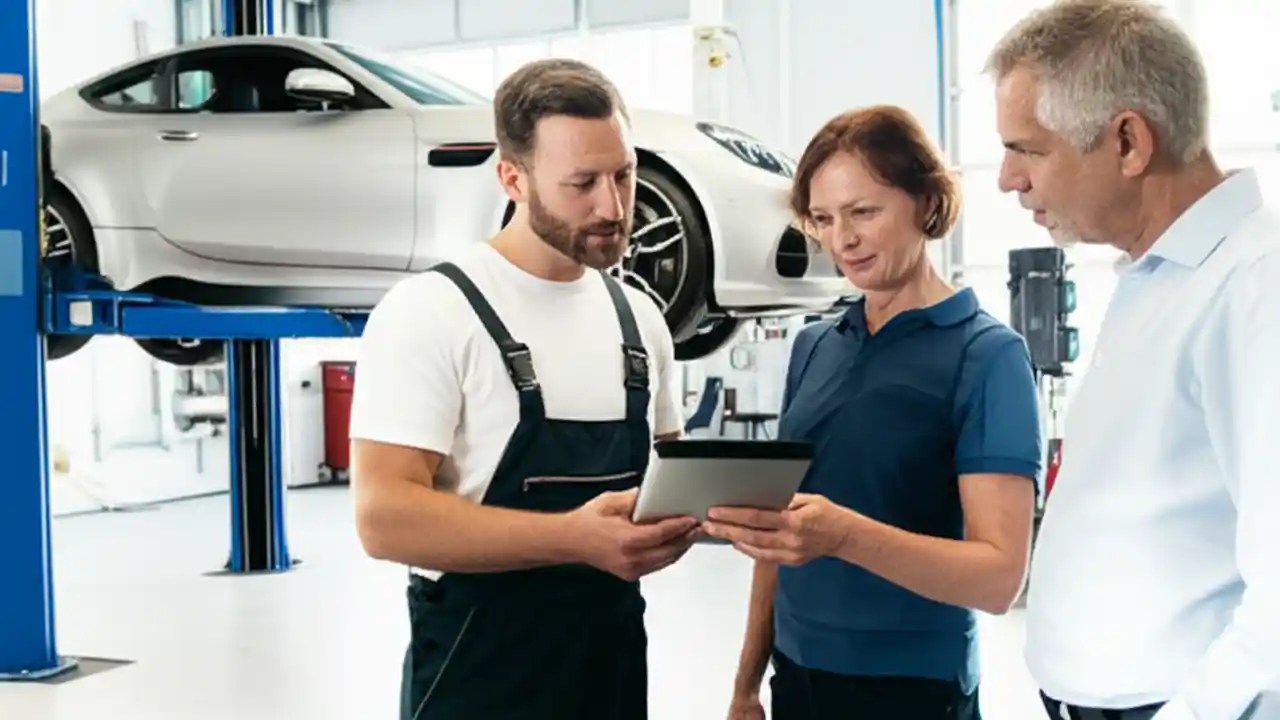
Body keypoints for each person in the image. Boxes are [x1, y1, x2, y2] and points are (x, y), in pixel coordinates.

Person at [347, 58, 700, 720]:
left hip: (612, 670)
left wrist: (728, 512)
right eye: (582, 184)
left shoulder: (640, 319)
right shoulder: (432, 310)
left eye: (623, 174)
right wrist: (575, 538)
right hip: (479, 676)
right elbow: (383, 517)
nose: (614, 206)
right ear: (511, 177)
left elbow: (668, 481)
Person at [984, 1, 1280, 718]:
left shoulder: (1254, 288)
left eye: (1028, 148)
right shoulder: (1160, 277)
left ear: (1128, 142)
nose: (1005, 179)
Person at [704, 105, 1044, 720]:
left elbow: (998, 580)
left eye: (864, 212)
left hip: (913, 691)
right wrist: (746, 683)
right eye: (825, 219)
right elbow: (779, 531)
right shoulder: (813, 345)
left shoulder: (987, 356)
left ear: (926, 200)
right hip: (797, 676)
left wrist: (845, 536)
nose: (843, 240)